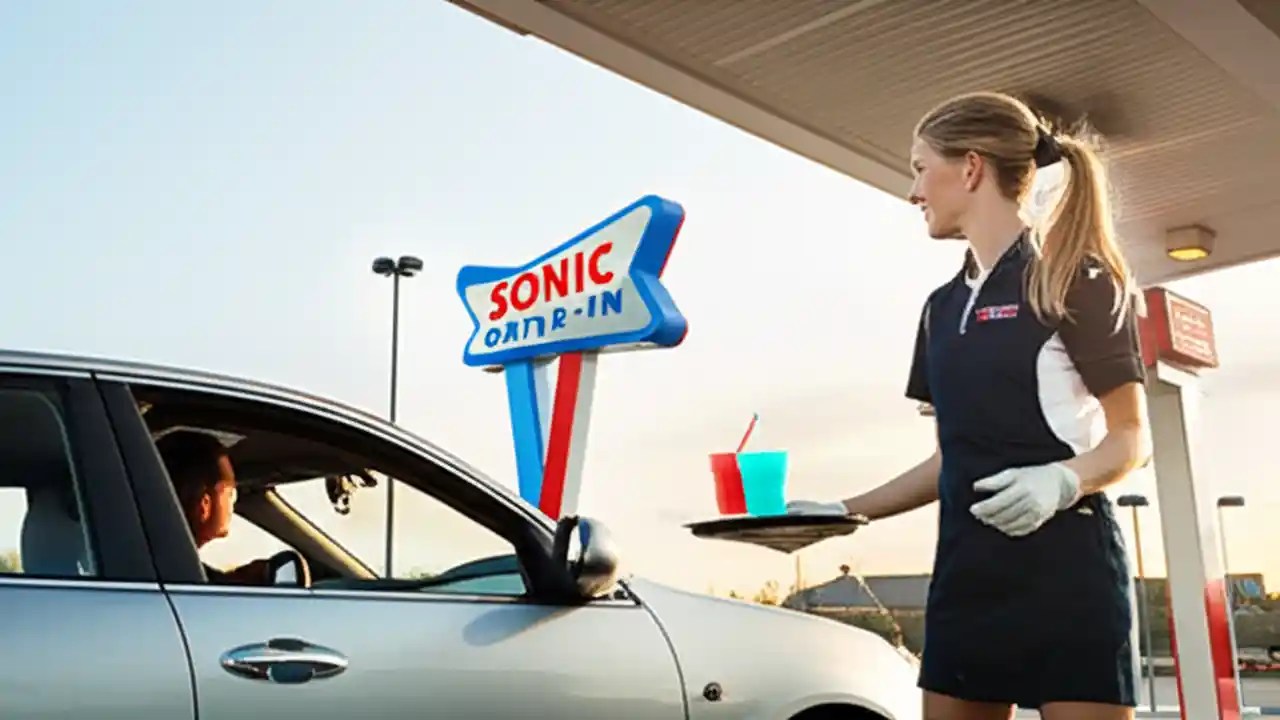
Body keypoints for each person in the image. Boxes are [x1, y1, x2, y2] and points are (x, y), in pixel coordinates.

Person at [788, 91, 1151, 720]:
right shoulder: (940, 309)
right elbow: (949, 458)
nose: (913, 191)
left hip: (1069, 575)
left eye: (920, 167)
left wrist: (1062, 481)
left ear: (972, 168)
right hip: (968, 577)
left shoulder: (1077, 280)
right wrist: (842, 511)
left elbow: (1131, 439)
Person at [156, 429, 271, 585]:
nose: (235, 499)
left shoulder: (154, 565)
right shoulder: (183, 577)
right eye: (230, 490)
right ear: (205, 505)